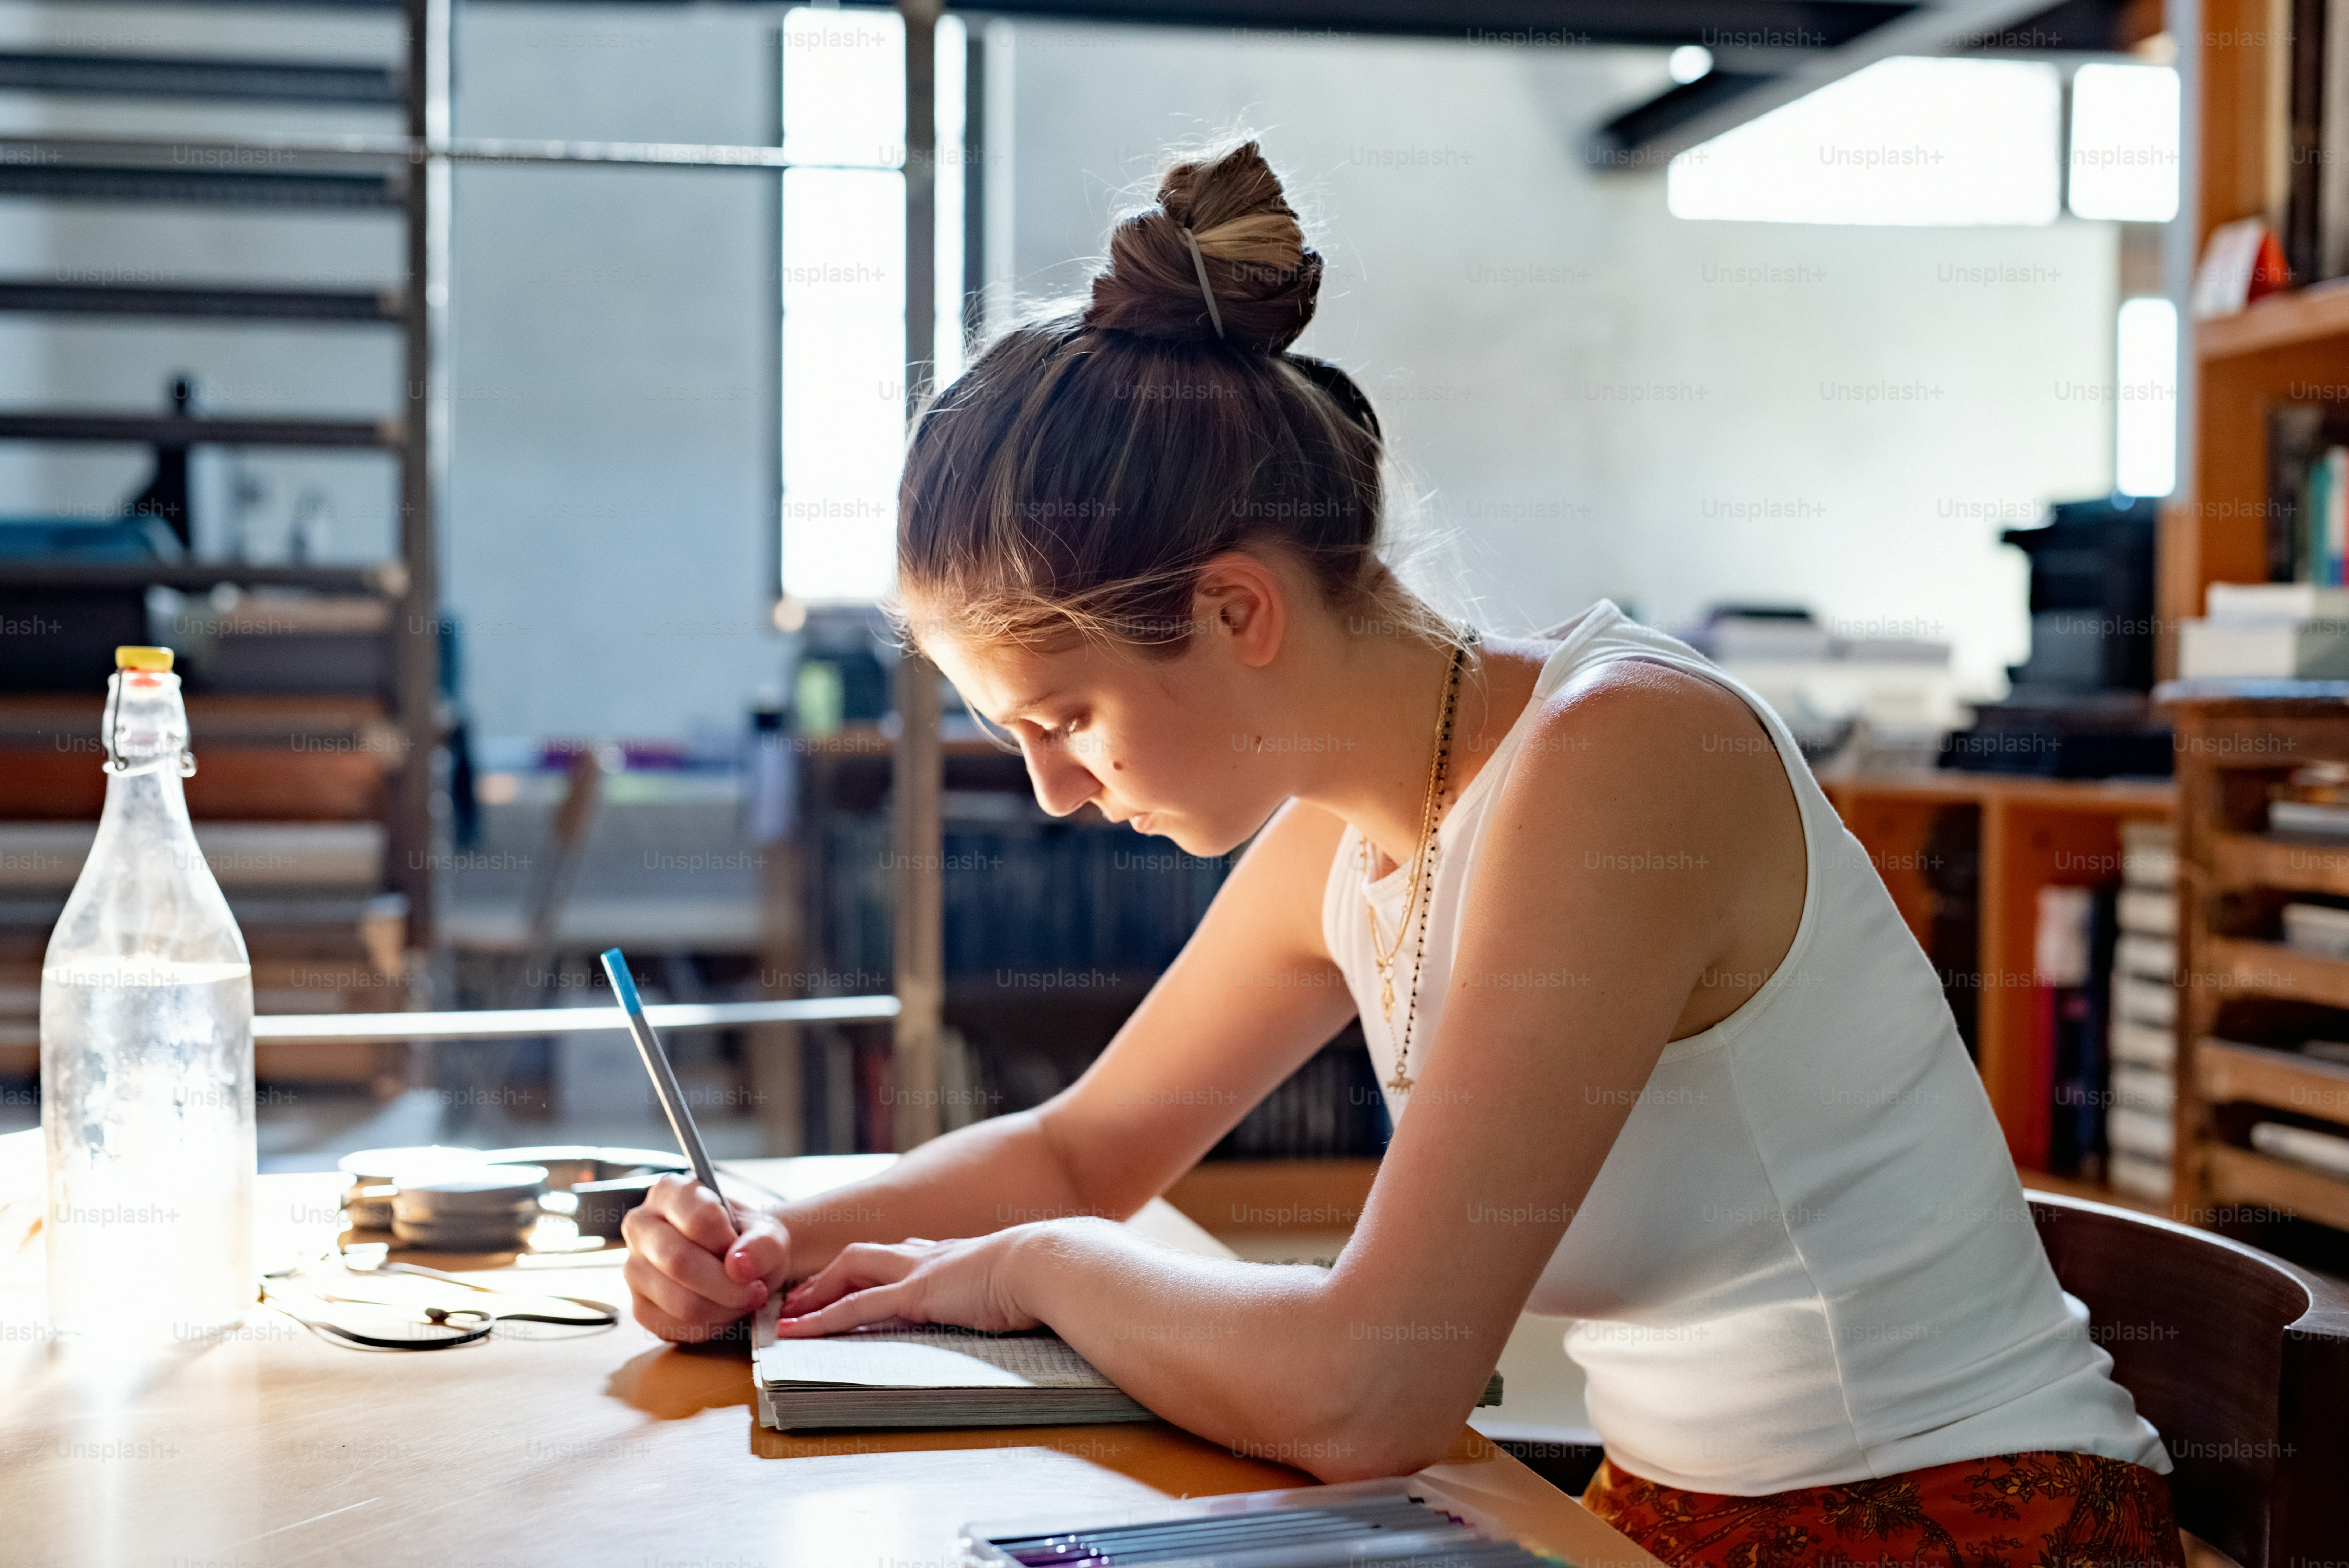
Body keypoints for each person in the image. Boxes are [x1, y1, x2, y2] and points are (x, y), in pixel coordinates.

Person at [624, 141, 2184, 1568]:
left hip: (1967, 1527)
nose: (1050, 792)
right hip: (1653, 1522)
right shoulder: (1356, 830)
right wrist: (772, 1241)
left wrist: (1039, 1270)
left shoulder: (1622, 757)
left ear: (1238, 611)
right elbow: (1083, 1154)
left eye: (1069, 717)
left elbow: (1372, 1379)